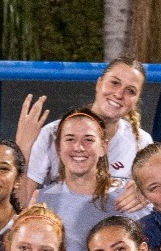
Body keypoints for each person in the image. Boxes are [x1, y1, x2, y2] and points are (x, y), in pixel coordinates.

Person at [15, 58, 152, 207]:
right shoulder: (51, 134)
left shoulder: (141, 142)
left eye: (130, 91)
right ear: (99, 83)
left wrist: (146, 191)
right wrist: (22, 147)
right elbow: (23, 203)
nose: (119, 94)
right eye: (114, 83)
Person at [29, 109, 127, 251]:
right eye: (70, 139)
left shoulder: (127, 198)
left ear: (103, 146)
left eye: (88, 139)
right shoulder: (41, 201)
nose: (79, 147)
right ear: (58, 147)